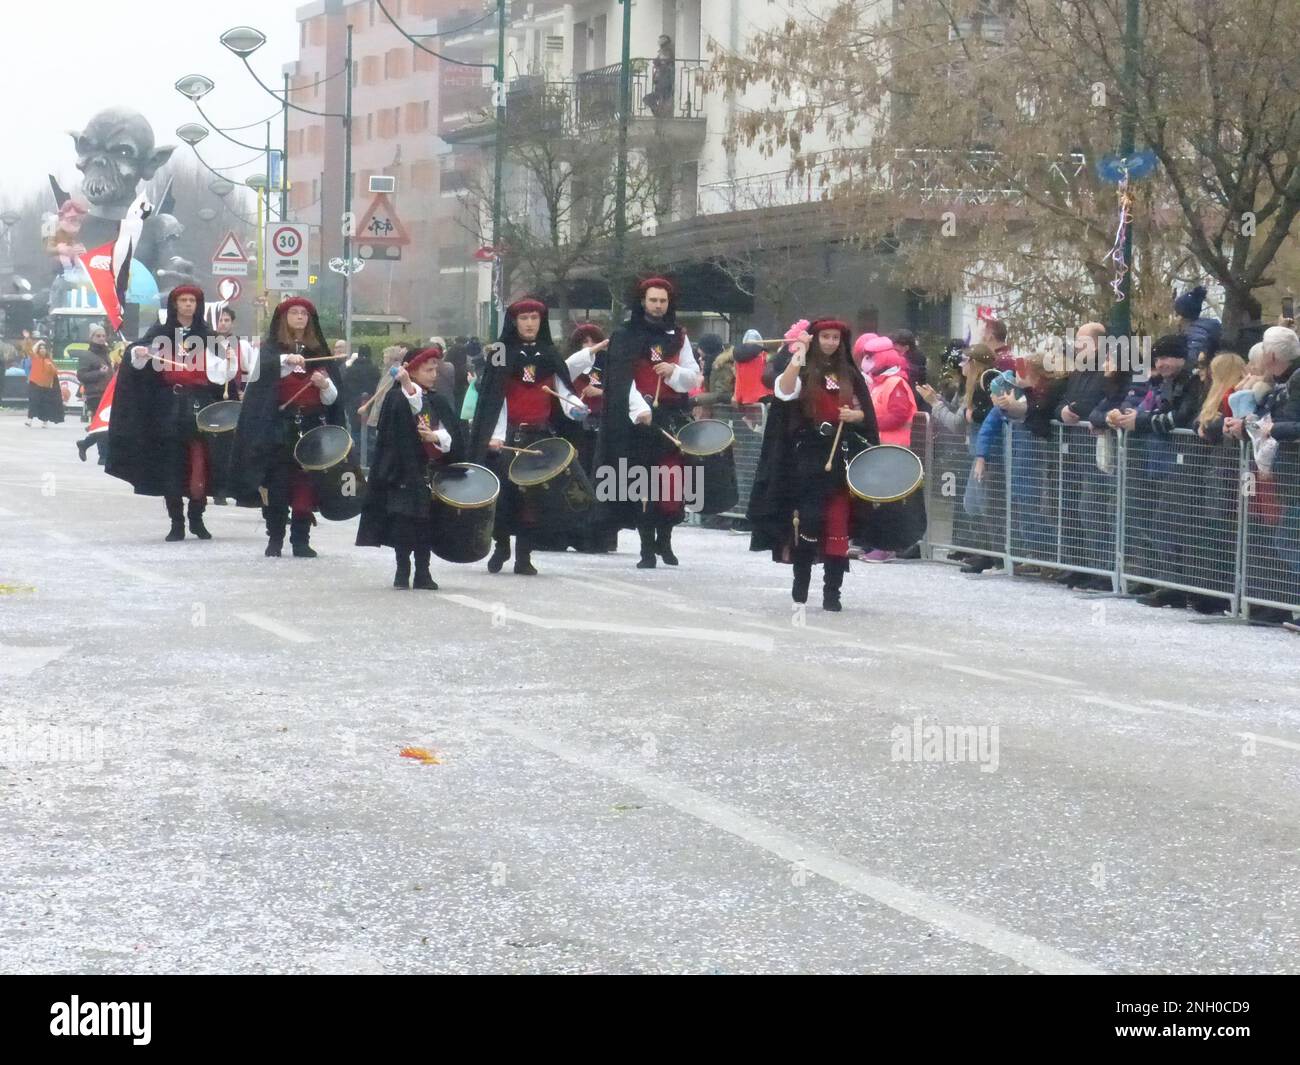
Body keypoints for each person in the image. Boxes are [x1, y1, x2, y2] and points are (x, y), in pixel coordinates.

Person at [747, 318, 880, 610]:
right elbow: (783, 391)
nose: (831, 342)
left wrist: (854, 417)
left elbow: (866, 413)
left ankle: (833, 591)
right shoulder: (804, 369)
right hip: (806, 460)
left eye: (836, 338)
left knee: (837, 525)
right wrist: (798, 355)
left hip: (840, 459)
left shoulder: (852, 375)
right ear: (816, 339)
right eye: (826, 337)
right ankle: (801, 580)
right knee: (807, 523)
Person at [468, 296, 587, 575]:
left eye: (534, 318)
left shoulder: (550, 353)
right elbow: (494, 397)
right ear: (514, 322)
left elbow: (564, 392)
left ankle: (524, 555)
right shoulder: (499, 352)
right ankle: (501, 545)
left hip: (540, 439)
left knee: (532, 500)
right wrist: (494, 435)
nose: (530, 323)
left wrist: (576, 408)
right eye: (524, 318)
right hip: (507, 439)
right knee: (504, 496)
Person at [107, 286, 235, 541]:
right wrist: (139, 353)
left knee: (199, 463)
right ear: (175, 304)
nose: (188, 305)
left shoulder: (209, 337)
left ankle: (197, 518)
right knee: (171, 465)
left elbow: (222, 375)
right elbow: (139, 358)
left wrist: (230, 361)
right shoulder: (161, 334)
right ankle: (177, 522)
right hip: (167, 409)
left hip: (199, 408)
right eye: (183, 300)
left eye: (192, 301)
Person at [597, 277, 702, 569]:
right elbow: (620, 379)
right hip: (639, 418)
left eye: (663, 301)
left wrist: (673, 371)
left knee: (670, 483)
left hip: (670, 416)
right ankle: (646, 548)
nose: (658, 306)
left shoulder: (679, 336)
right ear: (643, 302)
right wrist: (639, 408)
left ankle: (664, 539)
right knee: (642, 483)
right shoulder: (625, 334)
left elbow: (694, 376)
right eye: (653, 300)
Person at [231, 297, 345, 558]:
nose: (300, 317)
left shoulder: (319, 353)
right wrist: (284, 361)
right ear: (284, 318)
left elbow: (332, 400)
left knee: (306, 484)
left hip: (311, 429)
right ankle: (275, 538)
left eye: (304, 313)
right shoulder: (271, 353)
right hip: (278, 430)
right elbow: (261, 390)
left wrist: (324, 385)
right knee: (278, 485)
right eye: (294, 312)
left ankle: (301, 540)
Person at [357, 346, 466, 590]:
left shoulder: (436, 399)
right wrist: (406, 385)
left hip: (430, 471)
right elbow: (408, 414)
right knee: (404, 525)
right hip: (403, 472)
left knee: (425, 525)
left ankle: (423, 572)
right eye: (428, 369)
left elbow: (452, 435)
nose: (434, 374)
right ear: (412, 371)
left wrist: (435, 437)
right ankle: (402, 569)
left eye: (435, 369)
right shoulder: (397, 398)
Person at [860, 348, 919, 562]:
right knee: (878, 499)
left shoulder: (895, 384)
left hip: (896, 449)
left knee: (890, 501)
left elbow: (899, 414)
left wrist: (869, 422)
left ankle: (886, 546)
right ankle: (874, 543)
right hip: (883, 447)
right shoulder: (881, 384)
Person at [74, 326, 113, 461]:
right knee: (103, 425)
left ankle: (85, 444)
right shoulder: (87, 355)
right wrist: (99, 373)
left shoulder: (106, 353)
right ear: (91, 338)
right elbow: (81, 375)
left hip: (107, 395)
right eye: (98, 336)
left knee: (105, 424)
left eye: (103, 335)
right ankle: (103, 456)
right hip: (95, 395)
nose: (102, 338)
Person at [690, 333, 734, 420]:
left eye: (702, 355)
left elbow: (721, 395)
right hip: (716, 413)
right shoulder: (712, 366)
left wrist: (696, 400)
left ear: (708, 350)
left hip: (723, 414)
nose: (699, 358)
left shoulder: (722, 366)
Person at [25, 339, 63, 427]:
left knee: (45, 404)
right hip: (34, 383)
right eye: (40, 348)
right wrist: (29, 339)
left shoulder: (49, 360)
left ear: (46, 350)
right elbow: (29, 350)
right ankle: (29, 420)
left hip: (46, 386)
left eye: (44, 348)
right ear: (38, 350)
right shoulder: (35, 358)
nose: (42, 350)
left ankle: (45, 422)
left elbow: (55, 372)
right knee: (33, 401)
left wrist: (51, 367)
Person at [643, 35, 676, 118]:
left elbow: (666, 63)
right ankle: (658, 113)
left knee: (662, 98)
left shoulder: (667, 52)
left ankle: (660, 114)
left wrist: (659, 63)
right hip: (659, 80)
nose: (658, 42)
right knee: (649, 98)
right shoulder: (661, 51)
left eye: (660, 40)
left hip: (665, 80)